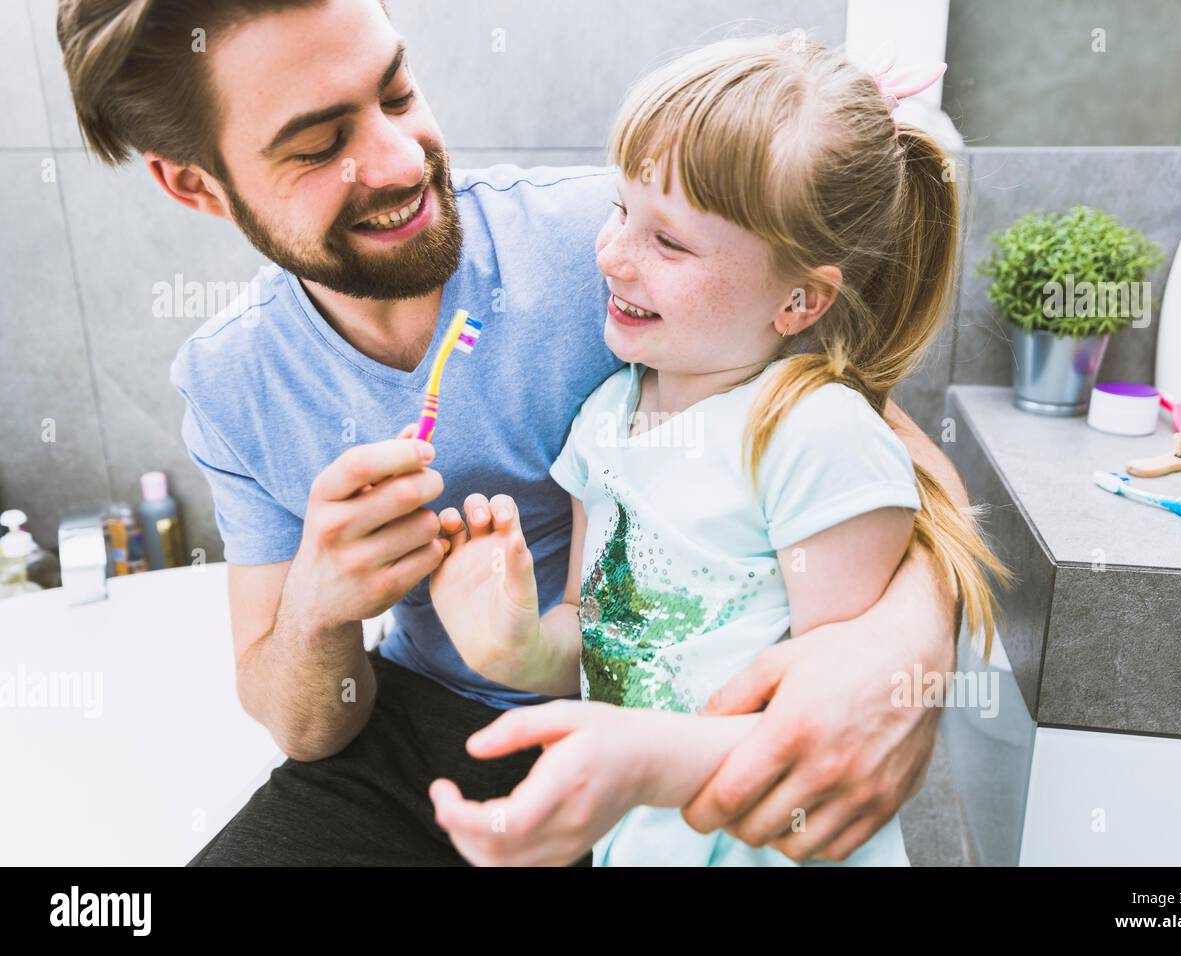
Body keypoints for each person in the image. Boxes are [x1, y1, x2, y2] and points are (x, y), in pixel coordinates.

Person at [57, 0, 977, 865]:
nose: (400, 161)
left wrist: (898, 653)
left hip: (664, 752)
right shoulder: (232, 381)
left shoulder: (614, 245)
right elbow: (305, 725)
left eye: (397, 93)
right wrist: (320, 605)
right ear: (196, 186)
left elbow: (889, 453)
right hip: (422, 737)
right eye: (318, 145)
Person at [425, 33, 1008, 866]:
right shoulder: (603, 422)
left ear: (801, 298)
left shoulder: (813, 436)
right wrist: (509, 643)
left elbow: (829, 726)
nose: (613, 252)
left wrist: (640, 767)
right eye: (621, 209)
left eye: (670, 241)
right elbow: (603, 645)